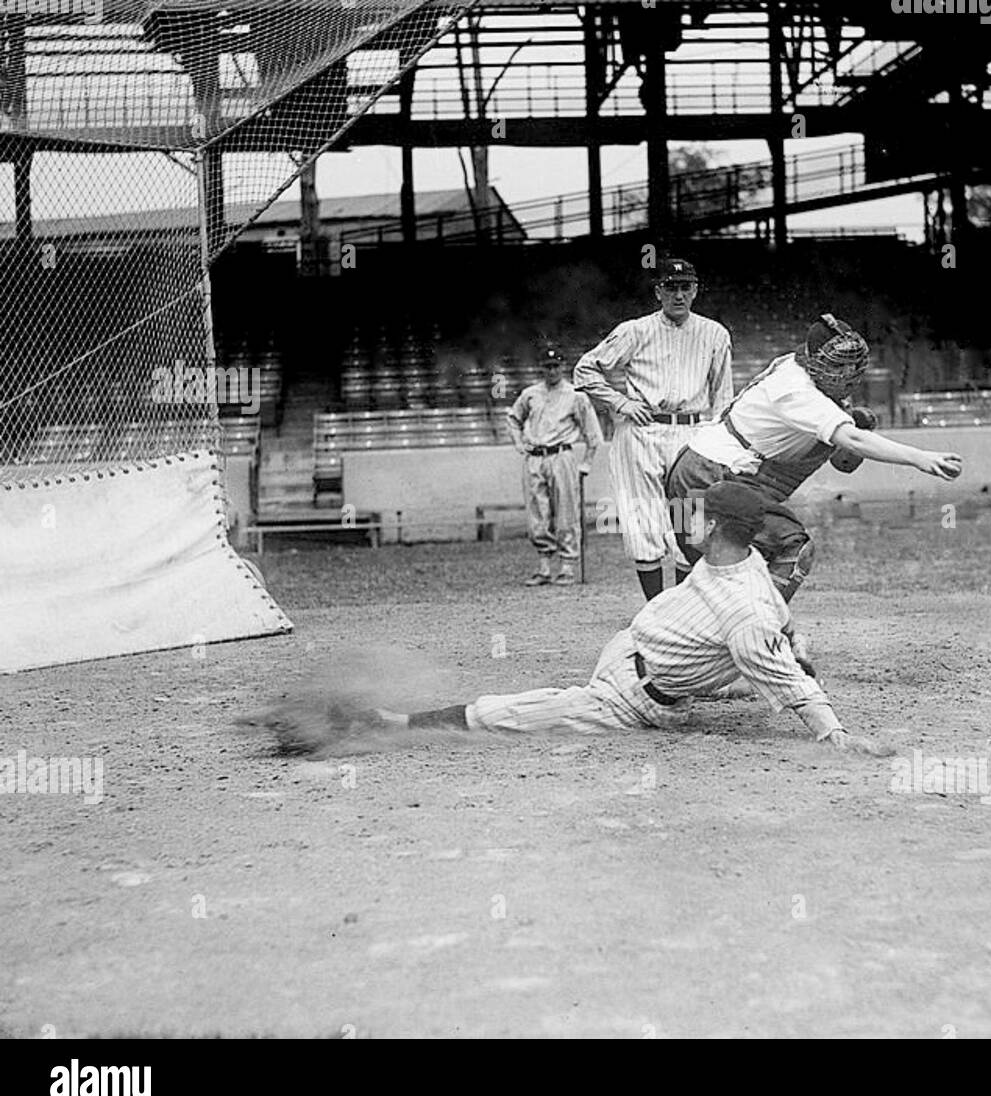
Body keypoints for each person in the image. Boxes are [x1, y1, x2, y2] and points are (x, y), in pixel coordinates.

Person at [352, 483, 880, 754]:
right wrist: (793, 644)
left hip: (629, 701)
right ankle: (729, 683)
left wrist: (834, 734)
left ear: (716, 525)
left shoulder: (745, 613)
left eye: (697, 511)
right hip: (627, 647)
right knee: (753, 666)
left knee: (525, 713)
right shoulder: (746, 559)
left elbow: (789, 678)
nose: (686, 517)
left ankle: (397, 724)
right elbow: (781, 625)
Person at [667, 314, 963, 601]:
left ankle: (688, 634)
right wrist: (920, 458)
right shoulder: (797, 389)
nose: (846, 374)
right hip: (710, 475)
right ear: (812, 360)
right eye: (837, 365)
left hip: (693, 471)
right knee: (791, 547)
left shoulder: (803, 373)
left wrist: (846, 426)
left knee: (716, 572)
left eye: (852, 365)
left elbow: (843, 462)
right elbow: (853, 440)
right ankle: (760, 628)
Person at [573, 257, 732, 601]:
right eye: (671, 287)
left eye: (685, 287)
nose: (679, 295)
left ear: (696, 290)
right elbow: (585, 370)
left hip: (691, 433)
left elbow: (722, 396)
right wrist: (621, 402)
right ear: (658, 291)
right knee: (642, 520)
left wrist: (719, 445)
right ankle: (656, 610)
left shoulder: (715, 333)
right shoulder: (635, 330)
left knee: (689, 524)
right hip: (642, 431)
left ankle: (682, 609)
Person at [505, 345, 602, 587]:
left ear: (563, 366)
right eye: (547, 367)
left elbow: (593, 434)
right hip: (535, 457)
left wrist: (586, 463)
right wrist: (519, 444)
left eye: (556, 366)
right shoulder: (530, 394)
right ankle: (544, 566)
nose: (551, 371)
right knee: (538, 513)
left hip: (562, 456)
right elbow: (513, 418)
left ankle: (567, 565)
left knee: (566, 512)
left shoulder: (576, 395)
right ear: (541, 368)